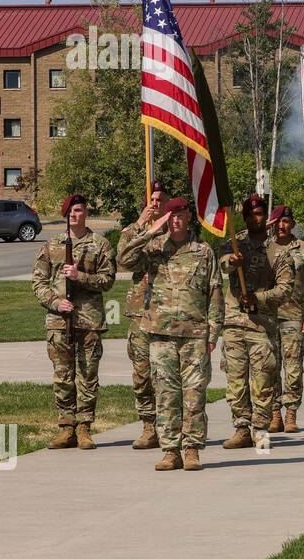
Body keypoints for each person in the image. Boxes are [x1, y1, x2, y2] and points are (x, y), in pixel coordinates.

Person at [118, 198, 223, 472]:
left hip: (194, 335)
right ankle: (170, 450)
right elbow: (124, 259)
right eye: (171, 215)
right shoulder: (154, 248)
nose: (176, 219)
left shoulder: (203, 251)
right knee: (165, 394)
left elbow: (214, 292)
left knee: (194, 394)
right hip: (160, 334)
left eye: (181, 214)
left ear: (189, 216)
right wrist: (150, 231)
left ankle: (191, 450)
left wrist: (213, 331)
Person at [31, 194, 116, 450]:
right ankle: (66, 427)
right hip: (59, 321)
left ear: (85, 213)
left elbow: (108, 280)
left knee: (88, 375)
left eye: (78, 210)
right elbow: (38, 282)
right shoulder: (51, 245)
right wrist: (56, 303)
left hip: (89, 319)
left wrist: (80, 276)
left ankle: (84, 427)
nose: (73, 215)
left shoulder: (99, 245)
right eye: (69, 211)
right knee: (62, 376)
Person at [219, 194, 292, 449]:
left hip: (262, 326)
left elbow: (285, 289)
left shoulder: (277, 251)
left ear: (266, 216)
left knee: (262, 383)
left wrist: (258, 298)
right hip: (234, 324)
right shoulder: (234, 244)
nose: (254, 218)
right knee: (236, 381)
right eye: (249, 215)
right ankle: (241, 428)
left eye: (259, 214)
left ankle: (260, 430)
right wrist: (232, 261)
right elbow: (223, 263)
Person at [118, 180, 168, 450]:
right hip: (140, 314)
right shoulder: (133, 231)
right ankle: (148, 426)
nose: (155, 204)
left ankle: (169, 425)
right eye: (152, 199)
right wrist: (141, 226)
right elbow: (124, 260)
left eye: (160, 199)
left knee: (167, 375)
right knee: (141, 374)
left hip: (166, 313)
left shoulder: (176, 233)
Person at [267, 205, 304, 433]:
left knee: (293, 368)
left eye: (285, 221)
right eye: (277, 222)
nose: (281, 226)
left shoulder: (303, 249)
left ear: (292, 223)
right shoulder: (266, 247)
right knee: (270, 368)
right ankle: (275, 414)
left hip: (293, 316)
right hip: (269, 317)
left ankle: (291, 413)